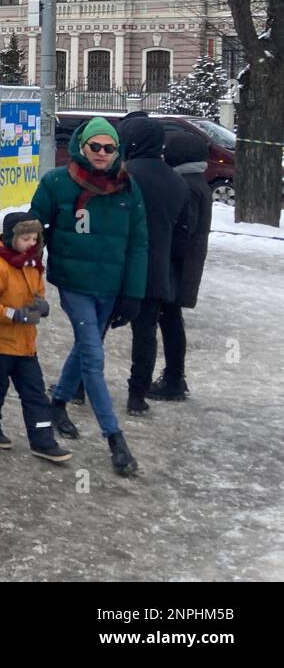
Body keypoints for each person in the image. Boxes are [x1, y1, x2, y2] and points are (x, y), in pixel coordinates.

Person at [29, 117, 147, 477]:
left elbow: (139, 242)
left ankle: (59, 403)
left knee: (86, 345)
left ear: (117, 151)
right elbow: (33, 226)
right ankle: (116, 440)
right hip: (74, 282)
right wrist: (20, 259)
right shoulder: (57, 182)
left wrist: (133, 293)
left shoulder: (128, 187)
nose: (101, 153)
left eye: (108, 148)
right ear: (82, 147)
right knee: (94, 356)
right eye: (94, 146)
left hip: (111, 285)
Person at [0, 213, 72, 463]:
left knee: (35, 393)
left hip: (26, 345)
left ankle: (43, 440)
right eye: (25, 238)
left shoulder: (33, 265)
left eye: (35, 238)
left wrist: (42, 306)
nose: (31, 243)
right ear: (10, 238)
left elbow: (38, 292)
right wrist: (12, 314)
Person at [116, 115, 193, 416]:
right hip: (156, 269)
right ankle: (137, 395)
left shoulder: (122, 175)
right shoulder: (177, 181)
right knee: (145, 334)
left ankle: (80, 384)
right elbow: (183, 234)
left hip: (119, 266)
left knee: (95, 330)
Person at [151, 131, 213, 400]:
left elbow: (182, 231)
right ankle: (175, 376)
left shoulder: (186, 185)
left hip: (177, 267)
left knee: (170, 321)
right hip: (183, 267)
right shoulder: (196, 181)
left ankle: (174, 379)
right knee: (171, 320)